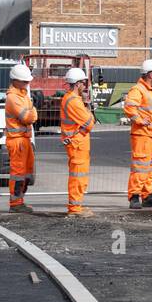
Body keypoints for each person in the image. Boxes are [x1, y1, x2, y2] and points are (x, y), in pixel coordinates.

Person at [124, 59, 152, 209]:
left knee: (151, 168)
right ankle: (134, 196)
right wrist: (140, 121)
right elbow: (129, 108)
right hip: (143, 135)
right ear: (150, 74)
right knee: (140, 167)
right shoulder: (138, 89)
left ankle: (147, 195)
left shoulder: (151, 90)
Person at [60, 67, 95, 217]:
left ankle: (77, 205)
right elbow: (90, 122)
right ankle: (74, 209)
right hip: (77, 143)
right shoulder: (73, 101)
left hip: (77, 143)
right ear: (77, 83)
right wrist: (88, 113)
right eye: (83, 83)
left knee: (80, 175)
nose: (84, 86)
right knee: (77, 176)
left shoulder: (74, 99)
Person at [4, 62, 37, 213]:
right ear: (15, 81)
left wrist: (32, 113)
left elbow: (32, 113)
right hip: (17, 141)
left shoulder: (23, 96)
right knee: (18, 173)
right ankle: (16, 203)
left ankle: (20, 201)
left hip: (24, 139)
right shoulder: (13, 97)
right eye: (24, 81)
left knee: (27, 173)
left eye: (27, 81)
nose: (27, 83)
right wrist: (32, 113)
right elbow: (28, 117)